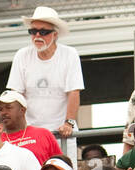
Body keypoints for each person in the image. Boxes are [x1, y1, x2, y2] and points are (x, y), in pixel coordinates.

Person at [5, 6, 82, 148]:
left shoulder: (70, 54)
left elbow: (74, 92)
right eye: (33, 31)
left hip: (61, 133)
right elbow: (15, 96)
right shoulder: (22, 55)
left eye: (44, 32)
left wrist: (68, 123)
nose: (37, 36)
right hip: (29, 134)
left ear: (55, 34)